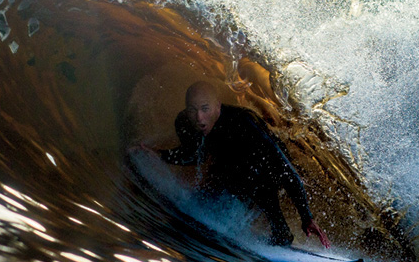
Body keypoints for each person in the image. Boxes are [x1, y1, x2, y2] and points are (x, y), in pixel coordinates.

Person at [141, 81, 330, 248]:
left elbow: (284, 169)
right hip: (230, 159)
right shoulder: (185, 122)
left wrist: (306, 217)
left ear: (217, 106)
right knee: (213, 186)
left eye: (205, 109)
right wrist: (159, 155)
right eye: (192, 110)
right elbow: (193, 155)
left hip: (267, 159)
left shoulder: (244, 124)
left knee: (256, 177)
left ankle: (281, 232)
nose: (199, 118)